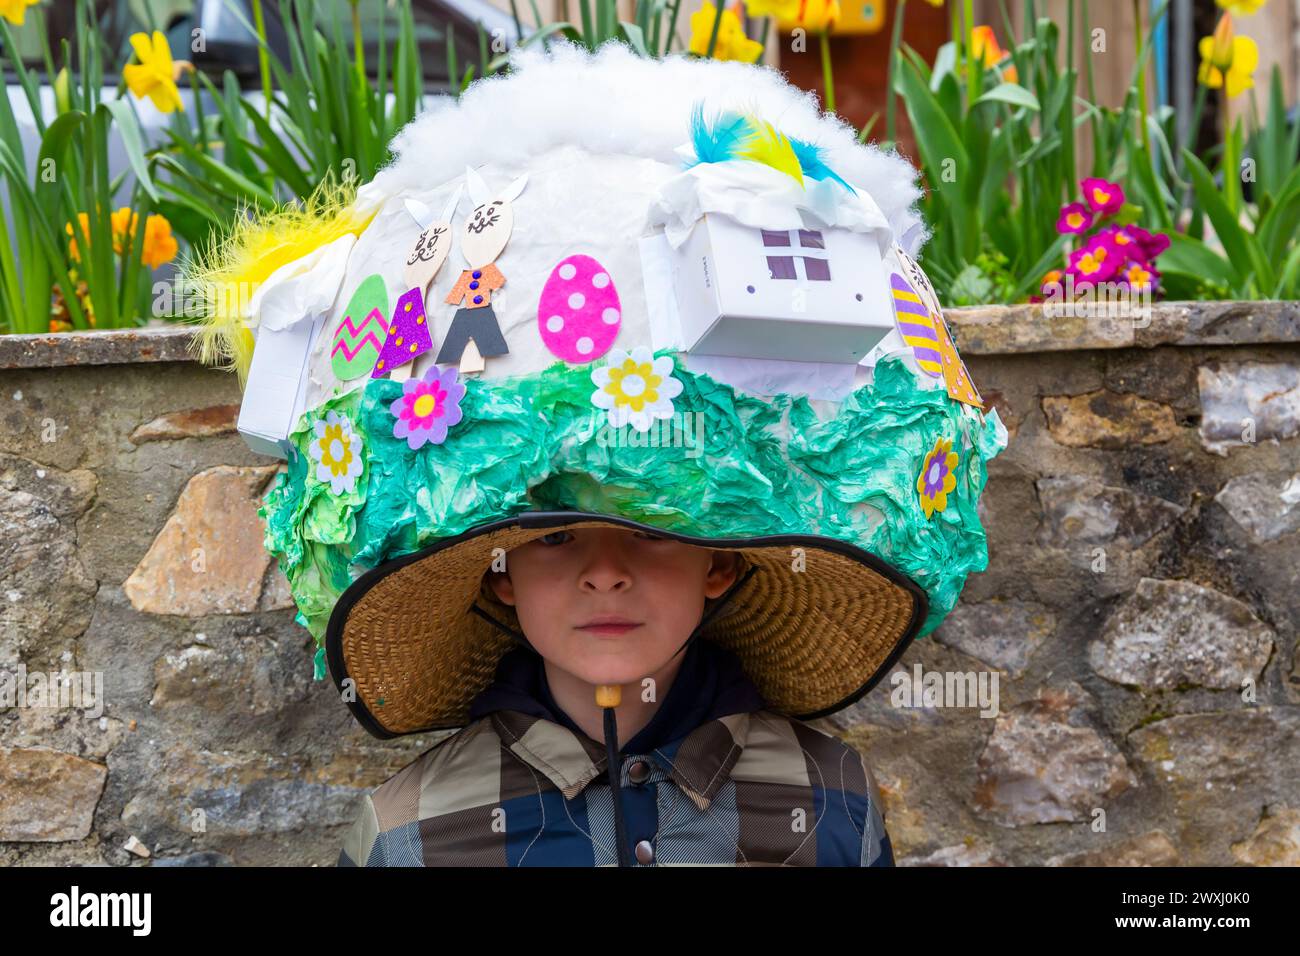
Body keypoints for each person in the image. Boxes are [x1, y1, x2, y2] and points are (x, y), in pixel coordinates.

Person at [336, 524, 896, 866]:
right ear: (501, 577)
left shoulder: (834, 795)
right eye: (555, 537)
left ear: (718, 564)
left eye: (650, 529)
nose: (605, 574)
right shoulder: (407, 829)